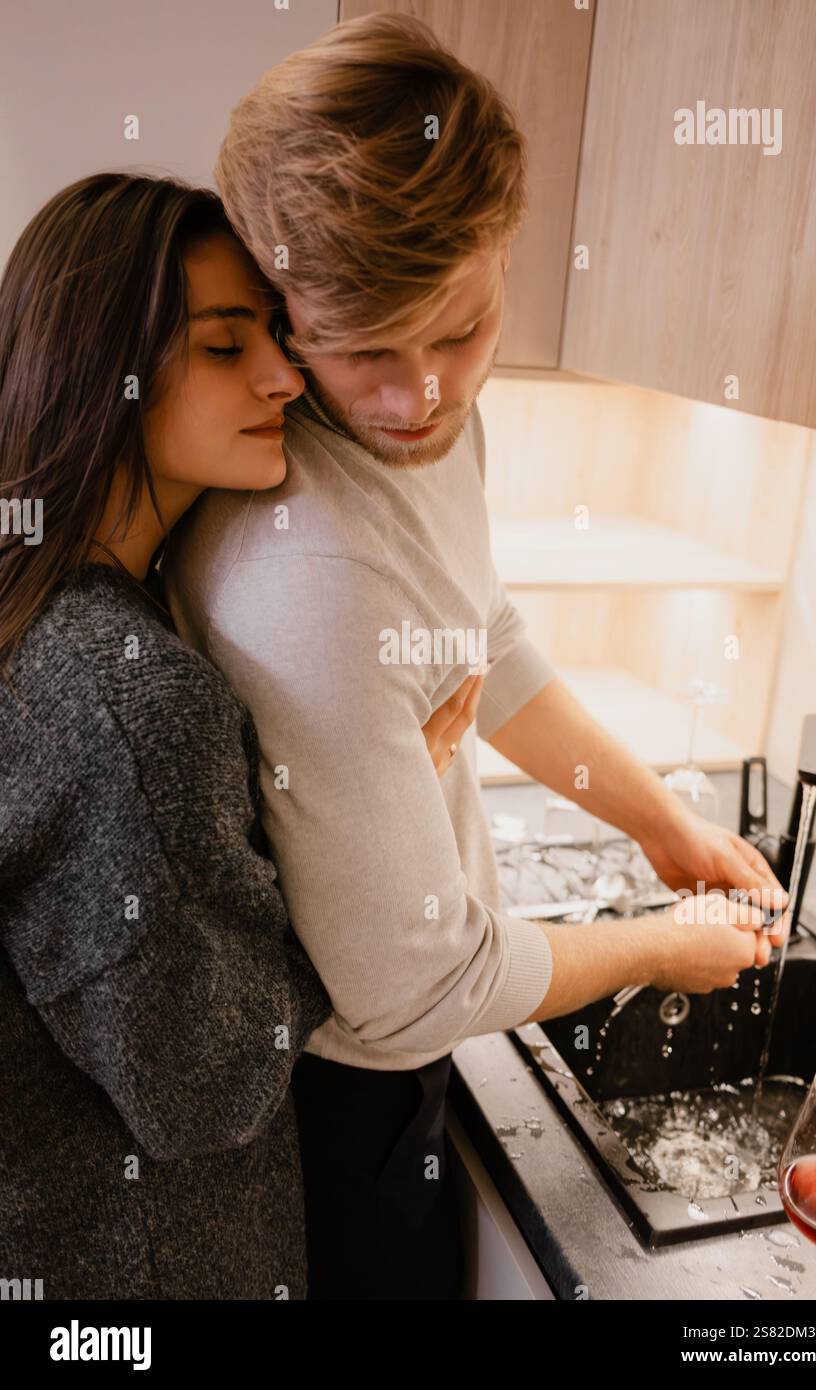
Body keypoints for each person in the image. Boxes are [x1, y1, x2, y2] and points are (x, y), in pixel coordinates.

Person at [163, 13, 788, 1300]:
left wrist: (658, 820)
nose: (419, 400)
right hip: (336, 1101)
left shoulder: (433, 434)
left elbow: (474, 629)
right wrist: (663, 944)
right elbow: (410, 990)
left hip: (407, 1019)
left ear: (504, 248)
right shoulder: (309, 575)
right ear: (286, 312)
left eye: (455, 331)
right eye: (359, 352)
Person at [0, 171, 481, 1300]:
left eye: (274, 332)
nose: (282, 375)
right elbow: (205, 1079)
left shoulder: (48, 607)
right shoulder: (125, 695)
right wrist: (358, 849)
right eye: (225, 349)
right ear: (95, 376)